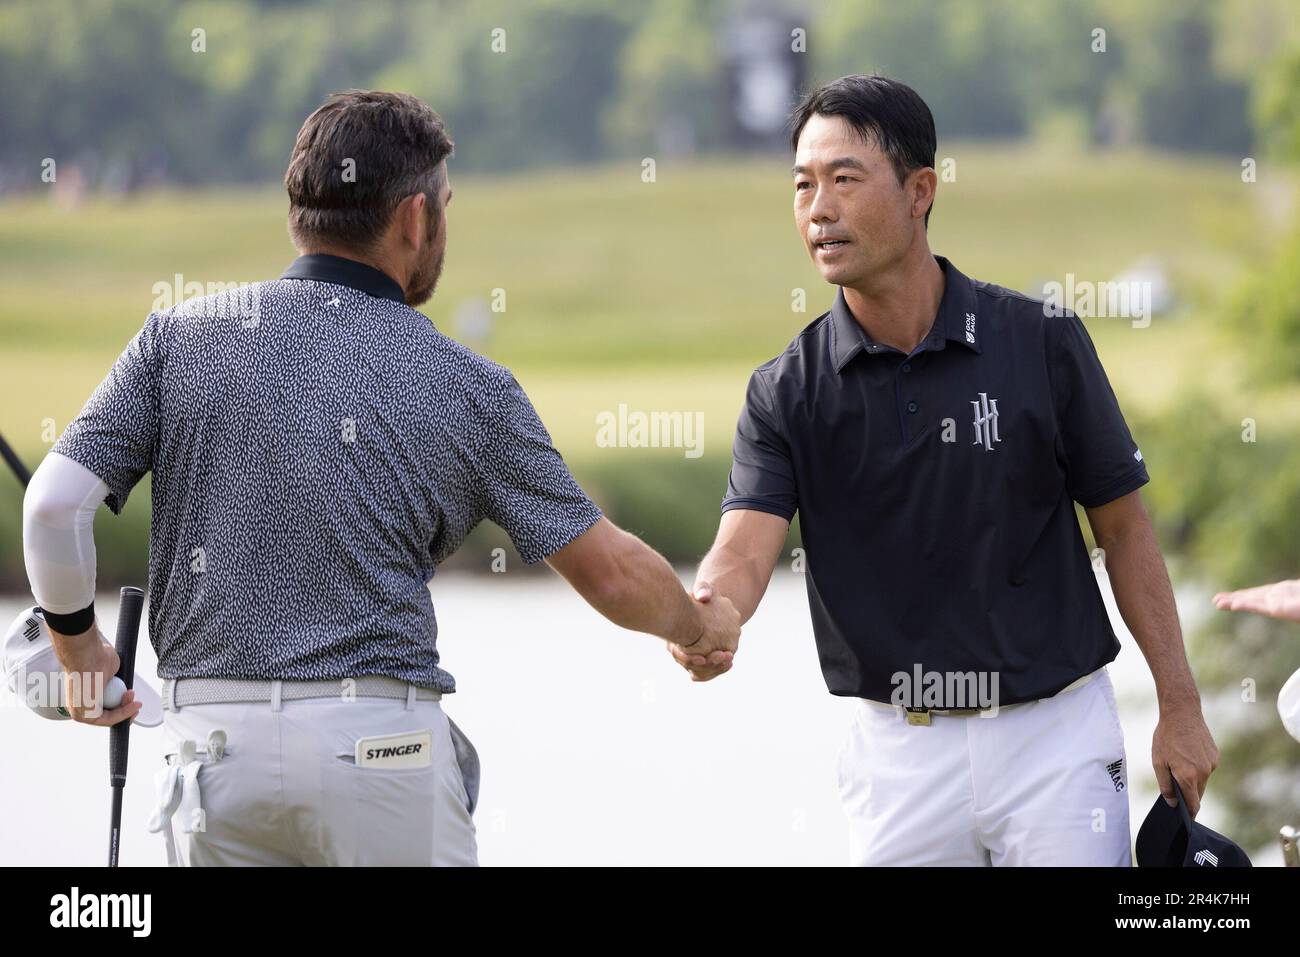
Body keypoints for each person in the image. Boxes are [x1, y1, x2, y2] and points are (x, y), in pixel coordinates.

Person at [21, 90, 739, 867]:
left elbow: (53, 509)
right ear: (415, 220)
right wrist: (697, 630)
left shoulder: (175, 338)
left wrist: (78, 651)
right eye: (445, 207)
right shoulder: (470, 384)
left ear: (300, 212)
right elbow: (608, 569)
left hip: (212, 761)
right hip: (380, 756)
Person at [668, 74, 1218, 865]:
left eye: (845, 180)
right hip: (897, 755)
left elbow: (1125, 529)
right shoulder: (785, 390)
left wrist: (1181, 702)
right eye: (802, 184)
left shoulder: (1042, 341)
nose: (818, 208)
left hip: (1054, 739)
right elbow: (745, 547)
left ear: (920, 189)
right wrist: (712, 611)